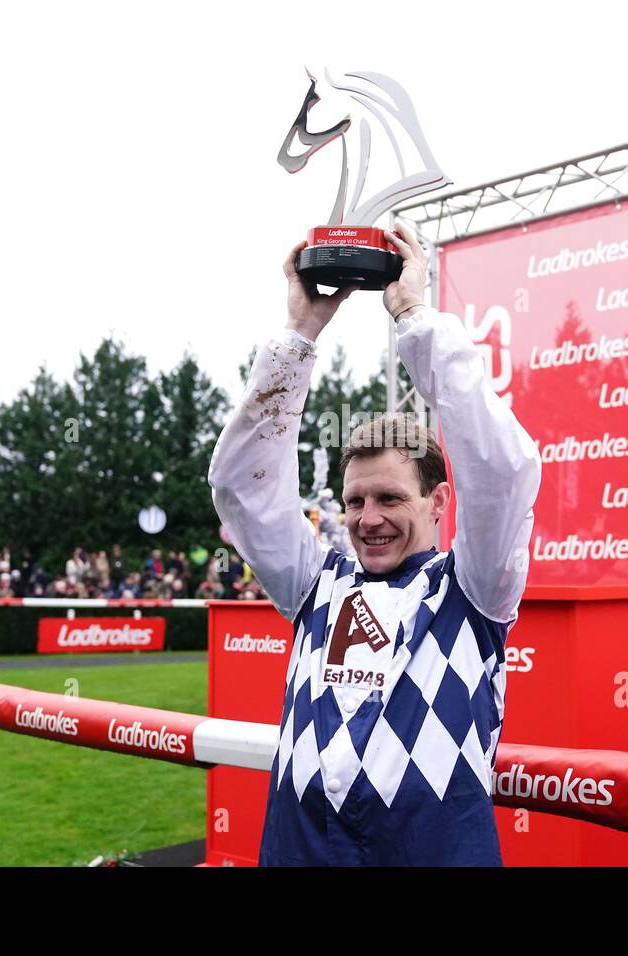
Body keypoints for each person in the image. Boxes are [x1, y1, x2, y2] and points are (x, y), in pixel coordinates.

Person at [208, 222, 541, 866]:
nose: (368, 519)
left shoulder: (474, 588)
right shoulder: (315, 583)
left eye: (390, 499)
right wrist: (298, 337)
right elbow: (239, 488)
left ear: (438, 503)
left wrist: (415, 317)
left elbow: (501, 470)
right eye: (356, 500)